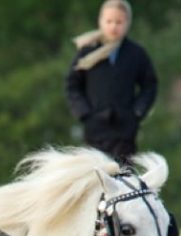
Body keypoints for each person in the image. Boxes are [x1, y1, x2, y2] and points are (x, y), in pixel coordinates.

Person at [65, 0, 157, 162]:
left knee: (122, 171)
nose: (114, 26)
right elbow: (72, 85)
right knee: (95, 170)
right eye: (109, 21)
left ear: (127, 23)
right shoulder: (87, 52)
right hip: (95, 128)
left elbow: (149, 85)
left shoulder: (136, 54)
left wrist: (137, 112)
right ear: (101, 21)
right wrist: (84, 112)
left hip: (124, 130)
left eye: (119, 22)